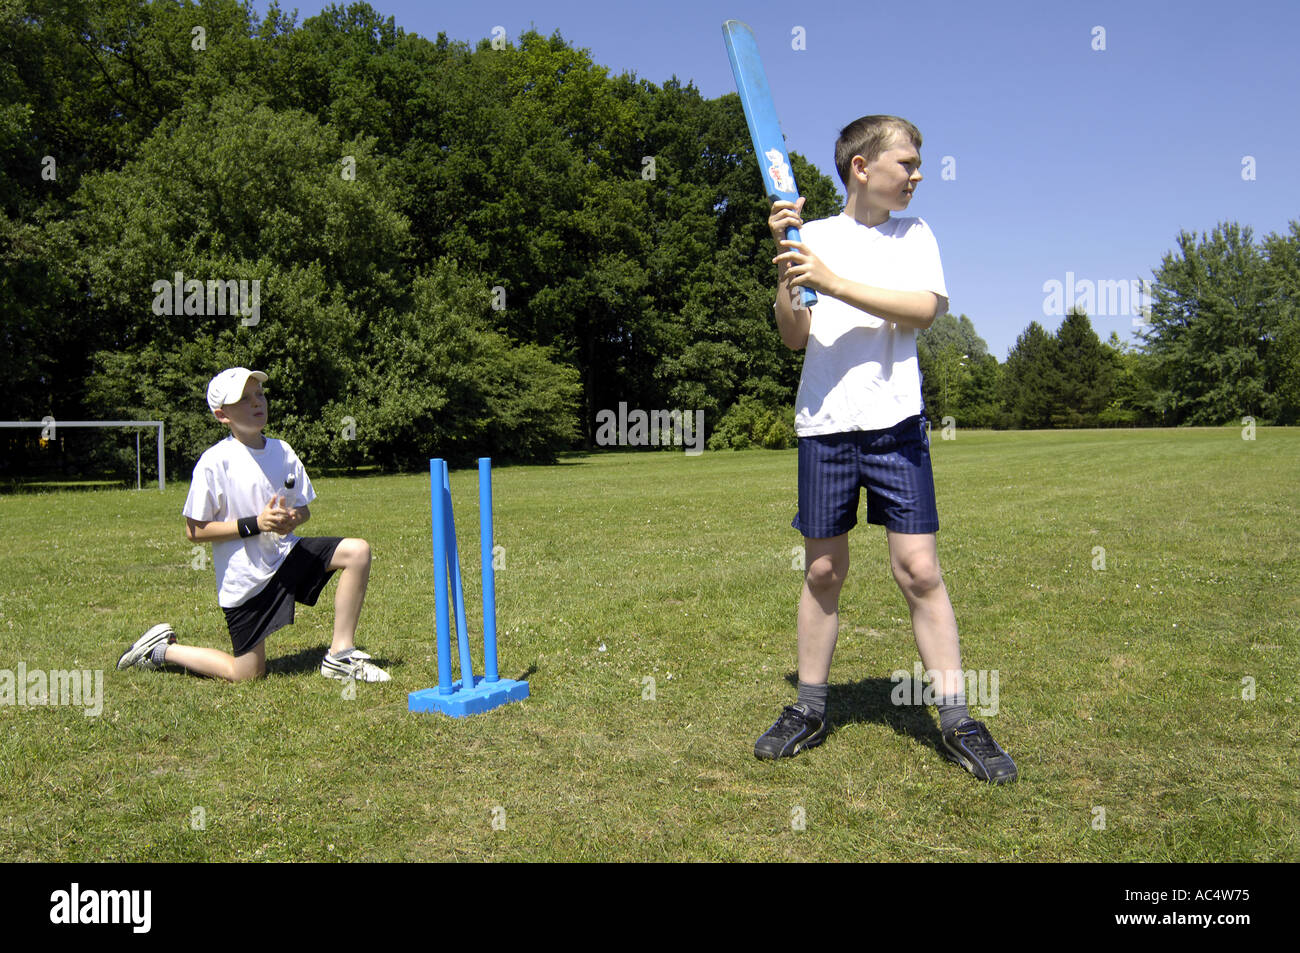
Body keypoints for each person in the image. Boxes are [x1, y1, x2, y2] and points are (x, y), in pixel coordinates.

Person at [753, 115, 1016, 782]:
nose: (918, 174)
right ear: (862, 167)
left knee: (919, 569)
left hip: (897, 422)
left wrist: (833, 280)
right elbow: (793, 335)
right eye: (907, 162)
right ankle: (810, 708)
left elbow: (923, 310)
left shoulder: (914, 234)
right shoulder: (810, 236)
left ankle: (958, 719)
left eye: (918, 163)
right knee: (822, 572)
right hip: (826, 424)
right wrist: (789, 275)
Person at [116, 367, 389, 684]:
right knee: (247, 675)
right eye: (244, 399)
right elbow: (194, 531)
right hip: (245, 583)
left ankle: (340, 655)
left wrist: (290, 521)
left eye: (259, 394)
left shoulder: (282, 451)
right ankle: (162, 650)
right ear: (222, 415)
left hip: (287, 558)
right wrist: (256, 524)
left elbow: (303, 509)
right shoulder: (214, 462)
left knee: (356, 551)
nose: (257, 402)